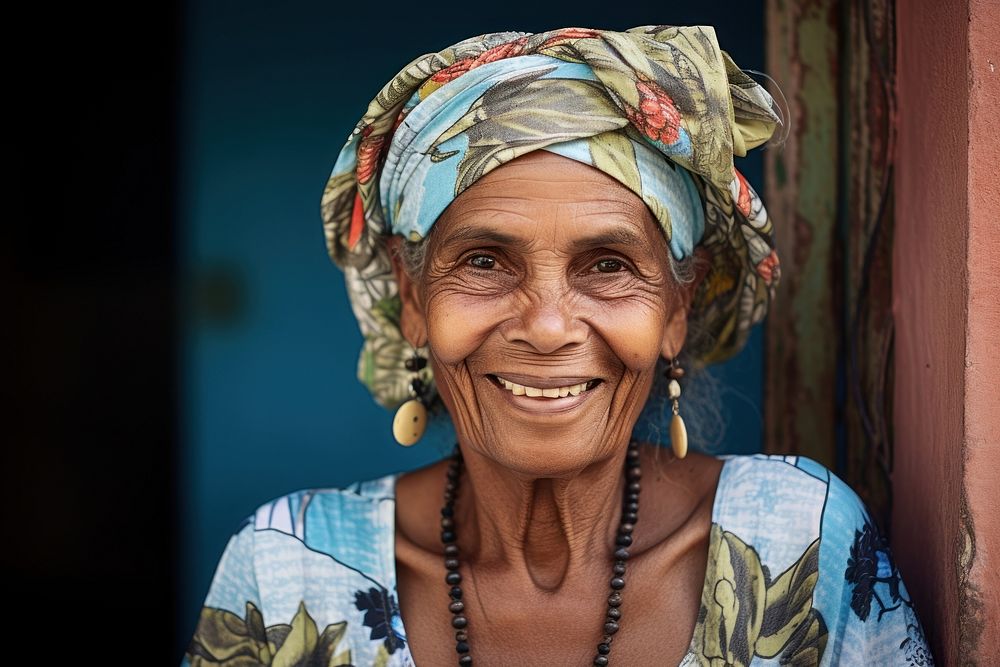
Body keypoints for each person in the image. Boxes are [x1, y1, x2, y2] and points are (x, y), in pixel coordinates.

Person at [181, 26, 933, 666]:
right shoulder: (285, 571)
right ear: (413, 303)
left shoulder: (799, 538)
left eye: (608, 265)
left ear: (677, 307)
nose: (546, 326)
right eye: (483, 261)